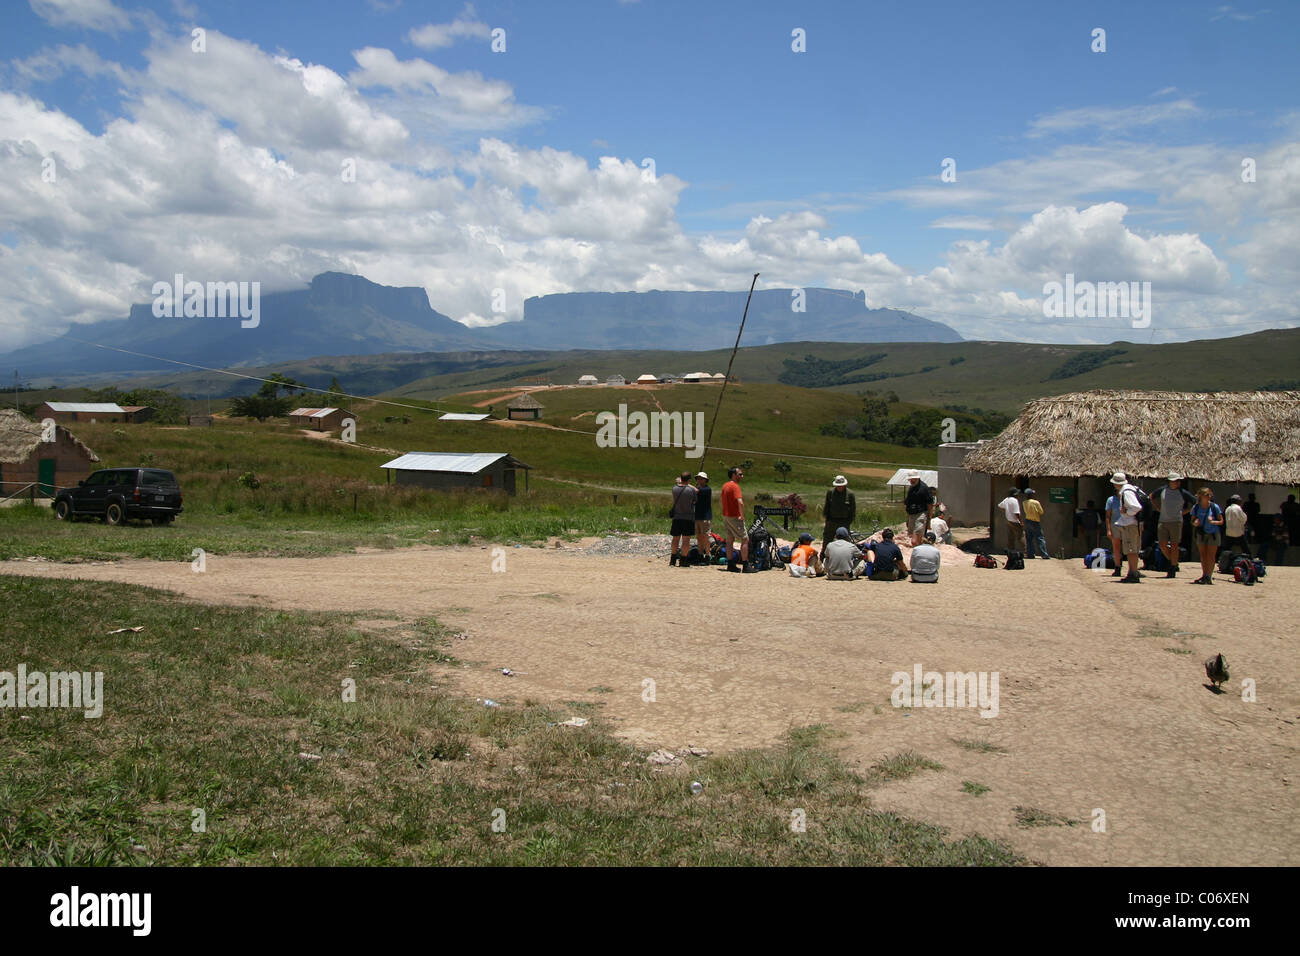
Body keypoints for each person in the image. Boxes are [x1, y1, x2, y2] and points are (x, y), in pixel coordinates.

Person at [1153, 472, 1193, 578]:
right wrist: (1158, 508)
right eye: (1174, 481)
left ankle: (1172, 567)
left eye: (1177, 481)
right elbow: (1151, 496)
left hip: (1176, 521)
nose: (1176, 483)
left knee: (1175, 545)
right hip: (1163, 520)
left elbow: (1195, 501)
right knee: (1162, 544)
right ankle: (1173, 561)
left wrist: (1185, 511)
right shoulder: (1162, 490)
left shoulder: (1182, 492)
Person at [1110, 472, 1143, 583]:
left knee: (1131, 549)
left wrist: (1127, 513)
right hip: (1131, 524)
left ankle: (1133, 573)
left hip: (1130, 524)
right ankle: (1132, 571)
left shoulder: (1126, 492)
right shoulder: (1130, 489)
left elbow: (1137, 507)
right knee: (1131, 549)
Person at [1189, 488, 1224, 584]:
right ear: (1200, 496)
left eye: (1209, 495)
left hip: (1213, 533)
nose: (1208, 497)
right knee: (1203, 555)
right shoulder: (1196, 507)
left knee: (1211, 555)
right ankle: (1204, 574)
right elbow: (1192, 520)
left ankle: (1209, 575)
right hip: (1201, 533)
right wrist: (1195, 523)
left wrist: (1212, 521)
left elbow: (1221, 521)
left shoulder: (1214, 507)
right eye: (1206, 495)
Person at [720, 466, 751, 573]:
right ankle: (746, 565)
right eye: (740, 474)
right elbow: (740, 502)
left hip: (726, 515)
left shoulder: (725, 486)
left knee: (729, 540)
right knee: (745, 539)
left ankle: (730, 564)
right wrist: (742, 515)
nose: (742, 476)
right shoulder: (735, 486)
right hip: (734, 516)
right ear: (734, 475)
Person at [821, 476, 856, 559]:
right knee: (827, 540)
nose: (839, 487)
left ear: (844, 485)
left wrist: (848, 522)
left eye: (841, 486)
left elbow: (852, 510)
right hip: (831, 520)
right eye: (837, 486)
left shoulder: (850, 494)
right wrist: (827, 520)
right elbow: (827, 506)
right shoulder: (830, 492)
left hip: (844, 522)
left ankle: (845, 558)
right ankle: (823, 558)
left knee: (845, 542)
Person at [668, 471, 697, 567]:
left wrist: (680, 482)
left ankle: (672, 559)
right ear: (689, 480)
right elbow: (695, 500)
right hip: (688, 517)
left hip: (677, 517)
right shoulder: (691, 490)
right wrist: (689, 485)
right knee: (686, 540)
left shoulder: (674, 489)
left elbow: (678, 487)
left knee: (675, 539)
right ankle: (683, 560)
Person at [903, 470, 935, 546]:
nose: (911, 481)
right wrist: (908, 519)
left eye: (913, 479)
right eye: (910, 479)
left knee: (914, 541)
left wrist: (929, 518)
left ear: (917, 478)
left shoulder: (924, 488)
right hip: (911, 514)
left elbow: (930, 504)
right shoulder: (911, 489)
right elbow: (908, 503)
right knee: (913, 538)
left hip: (921, 514)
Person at [1021, 488, 1050, 559]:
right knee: (1040, 538)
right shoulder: (1036, 502)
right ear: (1031, 494)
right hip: (1035, 521)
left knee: (1029, 539)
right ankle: (1044, 554)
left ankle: (1030, 554)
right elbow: (1041, 512)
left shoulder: (1024, 502)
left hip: (1027, 521)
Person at [1104, 485, 1125, 576]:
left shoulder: (1127, 499)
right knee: (1116, 548)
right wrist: (1108, 529)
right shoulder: (1111, 500)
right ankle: (1117, 567)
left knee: (1127, 548)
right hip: (1115, 525)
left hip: (1126, 526)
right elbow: (1108, 516)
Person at [997, 488, 1025, 554]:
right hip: (1015, 521)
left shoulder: (1006, 499)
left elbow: (1000, 506)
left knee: (1010, 536)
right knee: (1021, 536)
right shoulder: (1014, 501)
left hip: (1009, 520)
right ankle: (1025, 551)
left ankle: (1010, 550)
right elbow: (1017, 513)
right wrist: (1021, 521)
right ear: (1015, 494)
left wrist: (1006, 511)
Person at [693, 472, 712, 561]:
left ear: (705, 480)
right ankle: (700, 554)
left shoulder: (707, 489)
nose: (699, 480)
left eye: (701, 479)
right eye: (698, 479)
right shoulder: (697, 489)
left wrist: (687, 484)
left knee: (706, 537)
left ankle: (708, 555)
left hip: (705, 517)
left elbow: (697, 491)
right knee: (699, 536)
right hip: (697, 516)